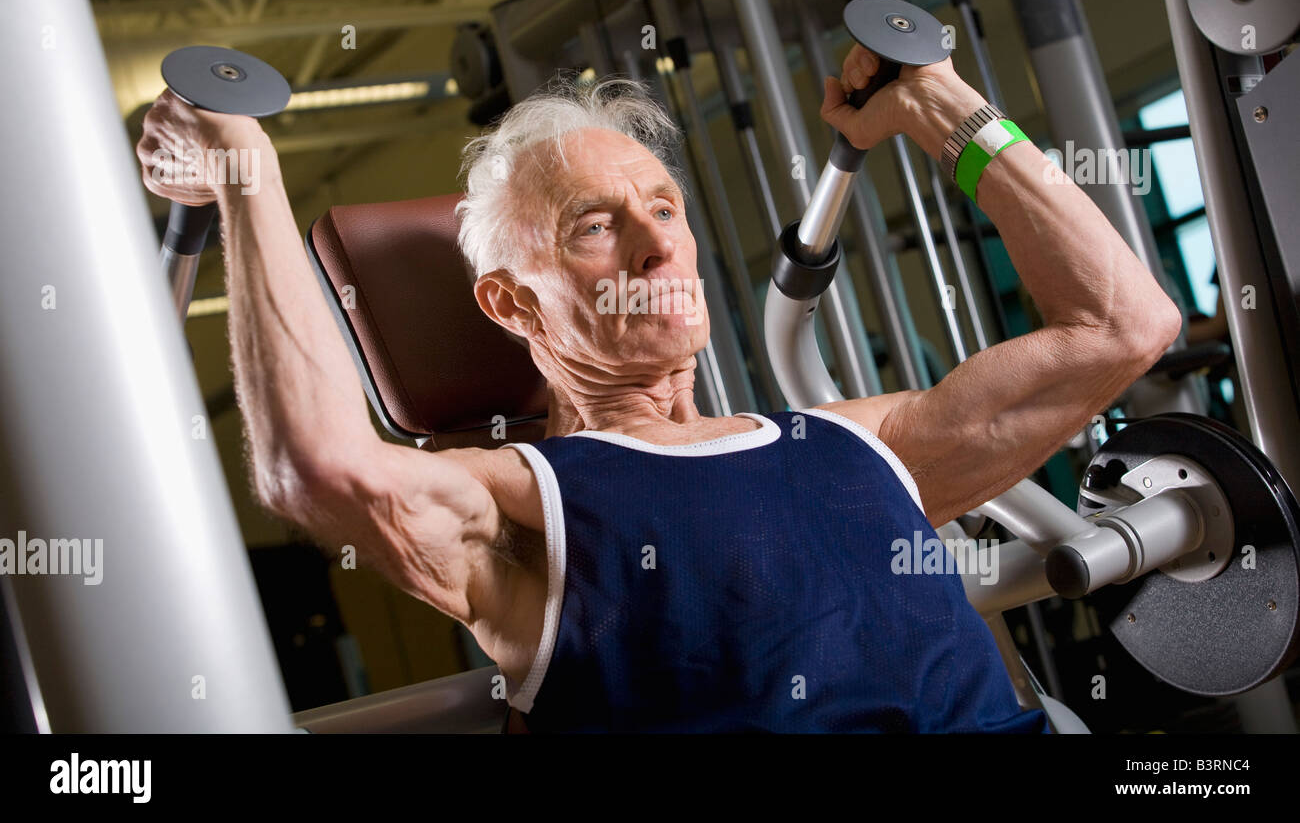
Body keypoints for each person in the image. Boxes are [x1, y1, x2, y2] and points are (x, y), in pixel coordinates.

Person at [135, 42, 1181, 732]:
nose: (653, 245)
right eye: (595, 226)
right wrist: (245, 173)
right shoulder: (520, 503)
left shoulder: (864, 440)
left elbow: (1123, 322)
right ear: (511, 304)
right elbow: (318, 467)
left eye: (664, 208)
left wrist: (935, 104)